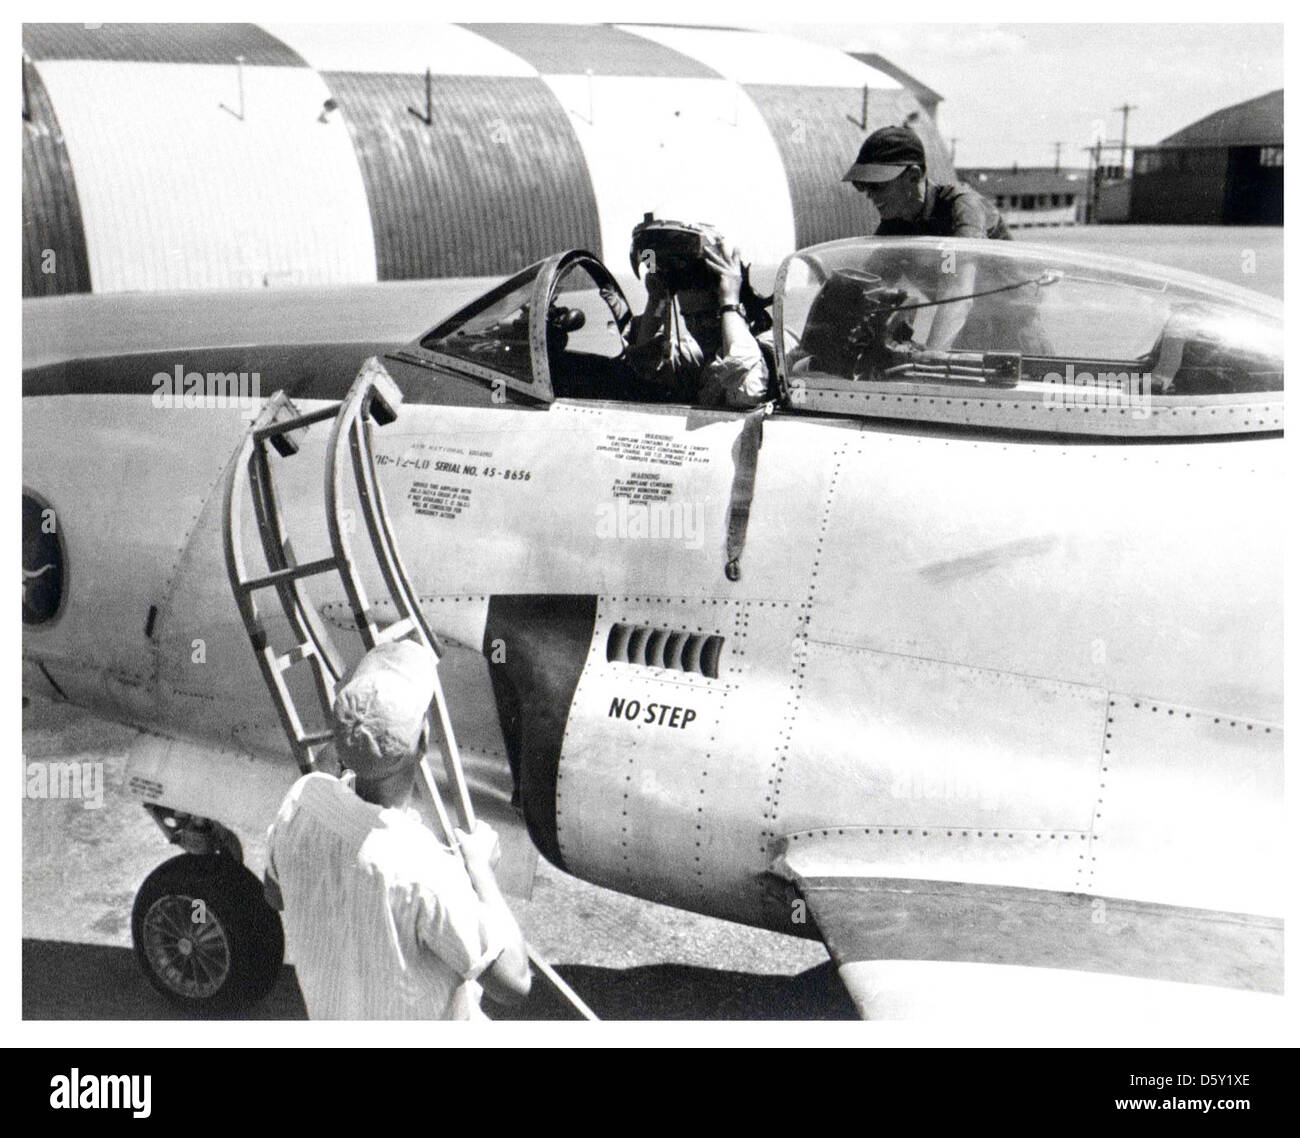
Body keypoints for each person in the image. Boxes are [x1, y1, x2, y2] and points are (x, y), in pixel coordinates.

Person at [263, 639, 531, 1019]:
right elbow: (515, 982)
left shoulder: (303, 800)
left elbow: (275, 894)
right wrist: (481, 871)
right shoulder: (424, 866)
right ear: (422, 742)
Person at [843, 125, 1050, 356]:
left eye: (877, 185)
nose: (870, 195)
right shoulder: (895, 225)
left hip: (1016, 334)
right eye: (863, 186)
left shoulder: (962, 208)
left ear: (913, 176)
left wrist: (931, 354)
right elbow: (868, 288)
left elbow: (957, 293)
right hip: (970, 333)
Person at [617, 222, 773, 409]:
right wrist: (656, 300)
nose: (699, 327)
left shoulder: (770, 347)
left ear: (740, 309)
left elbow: (749, 391)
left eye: (709, 315)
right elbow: (644, 367)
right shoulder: (701, 358)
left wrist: (730, 302)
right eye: (689, 318)